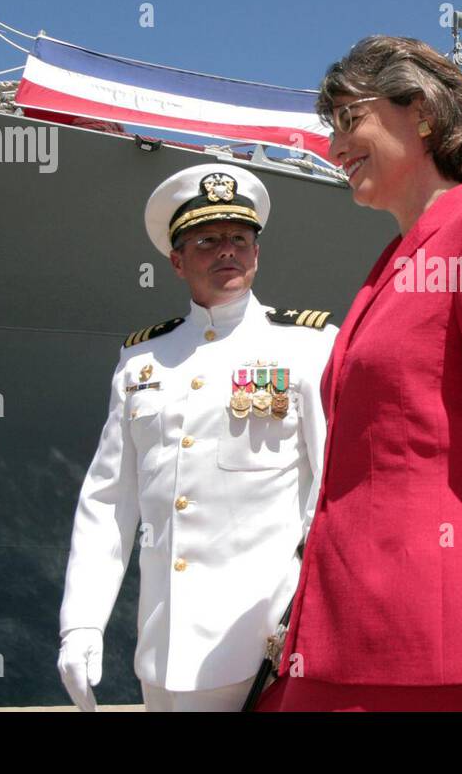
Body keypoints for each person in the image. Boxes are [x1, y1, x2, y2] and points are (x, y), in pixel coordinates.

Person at [255, 36, 462, 712]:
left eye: (350, 121)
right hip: (337, 649)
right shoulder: (392, 267)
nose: (335, 147)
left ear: (422, 113)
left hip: (433, 668)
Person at [57, 163, 337, 711]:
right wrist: (82, 621)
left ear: (256, 253)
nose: (226, 251)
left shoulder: (308, 346)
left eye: (239, 238)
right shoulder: (142, 359)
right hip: (164, 650)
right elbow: (109, 502)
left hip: (267, 643)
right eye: (206, 240)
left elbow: (331, 493)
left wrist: (305, 615)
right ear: (177, 261)